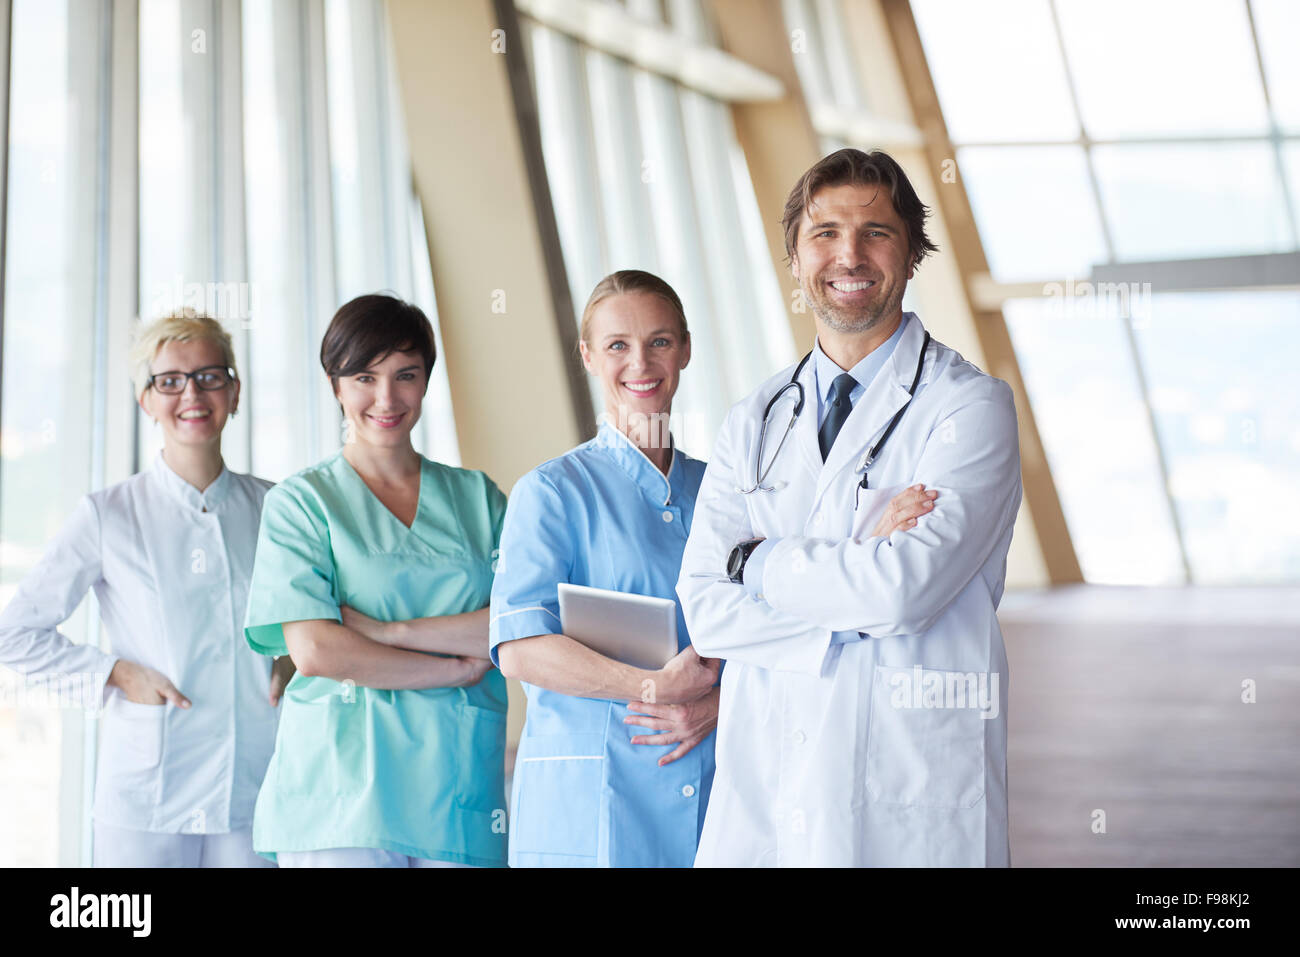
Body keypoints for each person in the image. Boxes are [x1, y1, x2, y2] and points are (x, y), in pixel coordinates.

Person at [677, 148, 1021, 867]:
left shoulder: (968, 408)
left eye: (876, 231)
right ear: (796, 259)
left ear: (912, 251)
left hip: (908, 794)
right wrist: (858, 568)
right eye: (824, 233)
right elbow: (706, 605)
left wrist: (756, 559)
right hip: (767, 795)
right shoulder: (754, 419)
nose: (849, 254)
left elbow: (901, 592)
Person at [0, 310, 290, 867]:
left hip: (255, 783)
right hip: (148, 793)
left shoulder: (277, 508)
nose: (192, 394)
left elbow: (322, 614)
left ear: (234, 390)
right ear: (146, 400)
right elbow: (16, 632)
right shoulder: (109, 514)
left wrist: (294, 659)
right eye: (170, 381)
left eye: (210, 375)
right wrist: (114, 673)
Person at [243, 293, 507, 868]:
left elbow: (515, 623)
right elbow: (314, 650)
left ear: (426, 382)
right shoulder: (302, 503)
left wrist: (388, 633)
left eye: (405, 375)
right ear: (336, 385)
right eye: (365, 376)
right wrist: (453, 669)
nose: (386, 399)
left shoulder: (478, 499)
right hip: (339, 799)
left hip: (456, 786)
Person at [488, 270, 722, 867]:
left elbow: (769, 633)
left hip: (717, 784)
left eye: (660, 341)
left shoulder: (722, 491)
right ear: (589, 357)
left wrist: (719, 704)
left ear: (686, 349)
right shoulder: (552, 492)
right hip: (594, 804)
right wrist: (654, 687)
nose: (640, 362)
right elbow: (520, 650)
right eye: (617, 345)